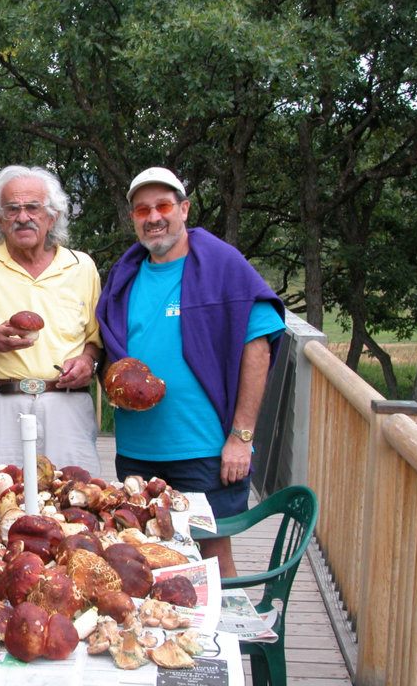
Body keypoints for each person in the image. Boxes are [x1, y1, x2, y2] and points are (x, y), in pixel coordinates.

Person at [96, 167, 285, 578]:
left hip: (203, 448)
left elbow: (259, 345)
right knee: (144, 553)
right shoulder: (124, 277)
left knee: (213, 553)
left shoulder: (221, 265)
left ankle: (231, 640)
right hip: (138, 449)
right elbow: (109, 346)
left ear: (184, 209)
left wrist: (242, 435)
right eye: (142, 209)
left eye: (163, 205)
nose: (153, 217)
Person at [0, 165, 103, 481]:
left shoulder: (81, 266)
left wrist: (88, 361)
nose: (22, 216)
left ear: (52, 216)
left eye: (33, 207)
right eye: (12, 209)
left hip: (65, 405)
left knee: (76, 500)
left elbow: (95, 340)